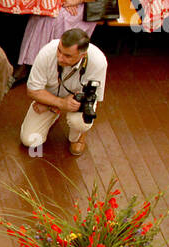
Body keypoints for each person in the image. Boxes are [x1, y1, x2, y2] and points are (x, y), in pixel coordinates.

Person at [20, 28, 107, 156]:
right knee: (29, 140)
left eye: (67, 56)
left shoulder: (98, 62)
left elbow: (93, 98)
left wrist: (57, 104)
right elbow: (33, 91)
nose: (60, 58)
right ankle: (55, 113)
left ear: (82, 55)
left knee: (80, 122)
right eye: (59, 51)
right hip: (51, 97)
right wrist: (59, 103)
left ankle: (78, 136)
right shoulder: (47, 52)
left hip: (77, 103)